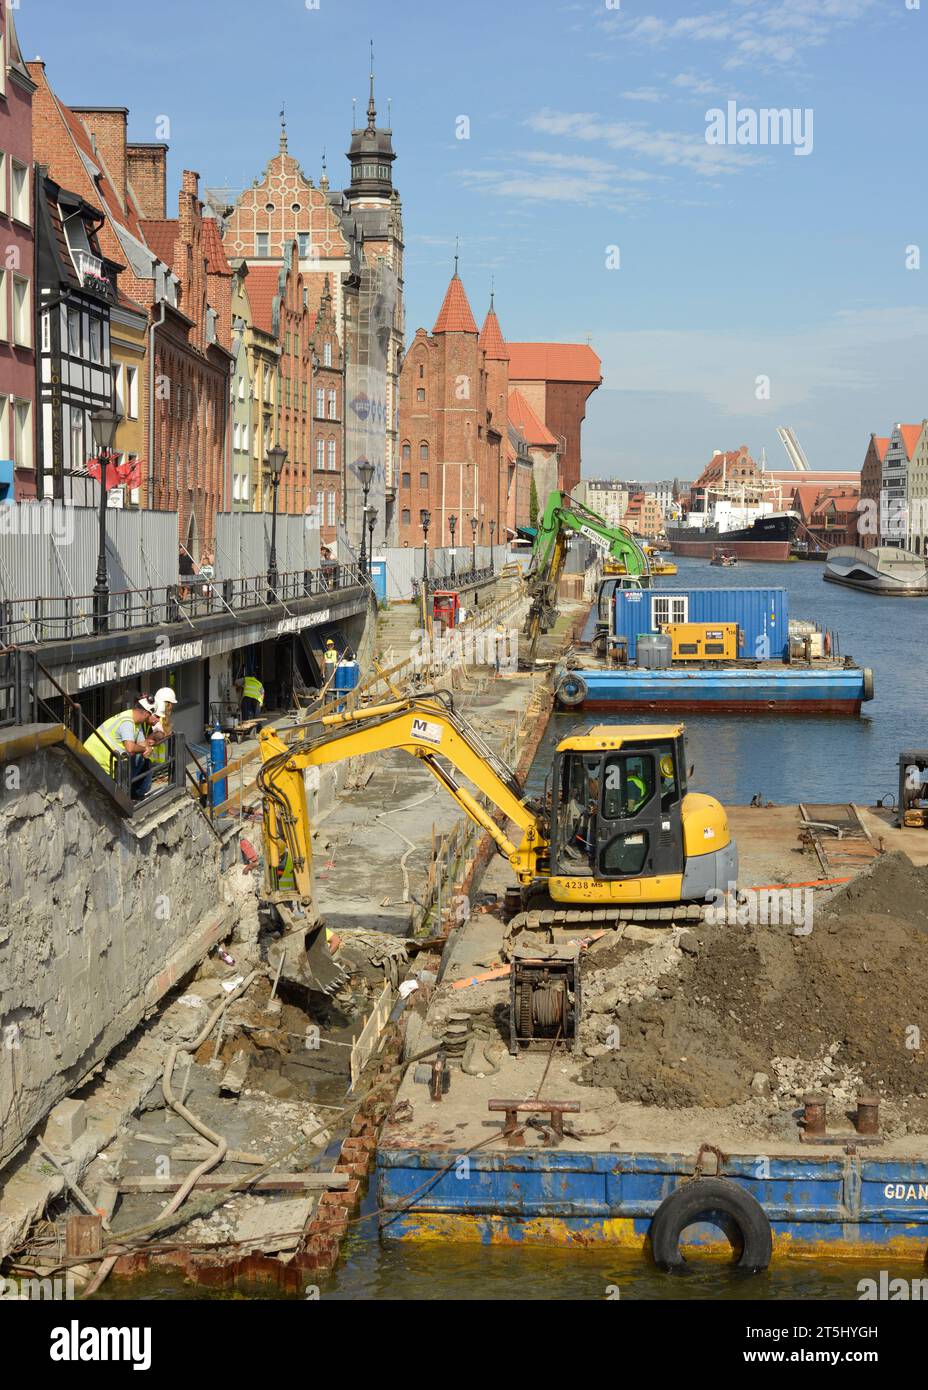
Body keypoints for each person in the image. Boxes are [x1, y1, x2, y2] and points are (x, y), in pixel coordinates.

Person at [84, 698, 158, 800]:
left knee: (144, 762)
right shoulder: (127, 722)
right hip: (96, 762)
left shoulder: (136, 723)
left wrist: (147, 748)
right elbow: (130, 748)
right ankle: (132, 795)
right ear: (146, 714)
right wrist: (144, 749)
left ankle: (132, 795)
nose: (148, 719)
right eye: (149, 716)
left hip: (109, 764)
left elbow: (142, 744)